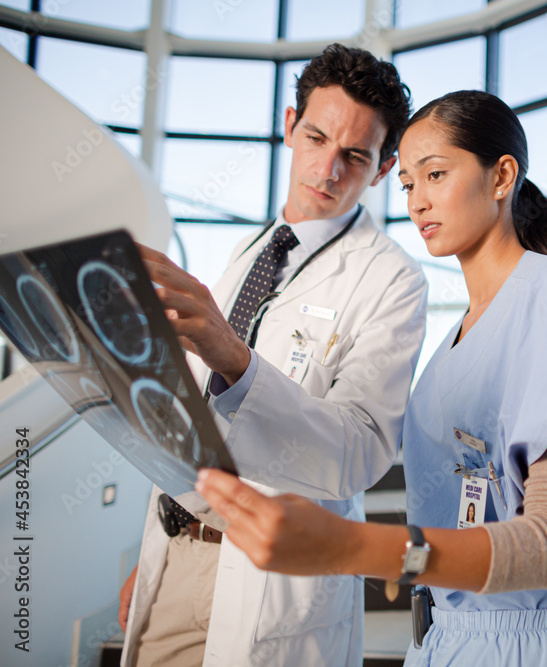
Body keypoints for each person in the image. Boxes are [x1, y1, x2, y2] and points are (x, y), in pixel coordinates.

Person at [196, 90, 547, 665]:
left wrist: (358, 546)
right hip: (447, 635)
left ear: (502, 176)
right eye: (407, 184)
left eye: (435, 175)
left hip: (524, 643)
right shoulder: (459, 335)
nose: (418, 202)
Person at [117, 44, 428, 667]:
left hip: (273, 588)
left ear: (385, 165)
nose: (329, 169)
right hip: (176, 555)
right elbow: (195, 424)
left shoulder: (393, 280)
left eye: (356, 156)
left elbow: (361, 451)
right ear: (289, 126)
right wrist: (158, 547)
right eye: (316, 138)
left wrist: (235, 356)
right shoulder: (250, 252)